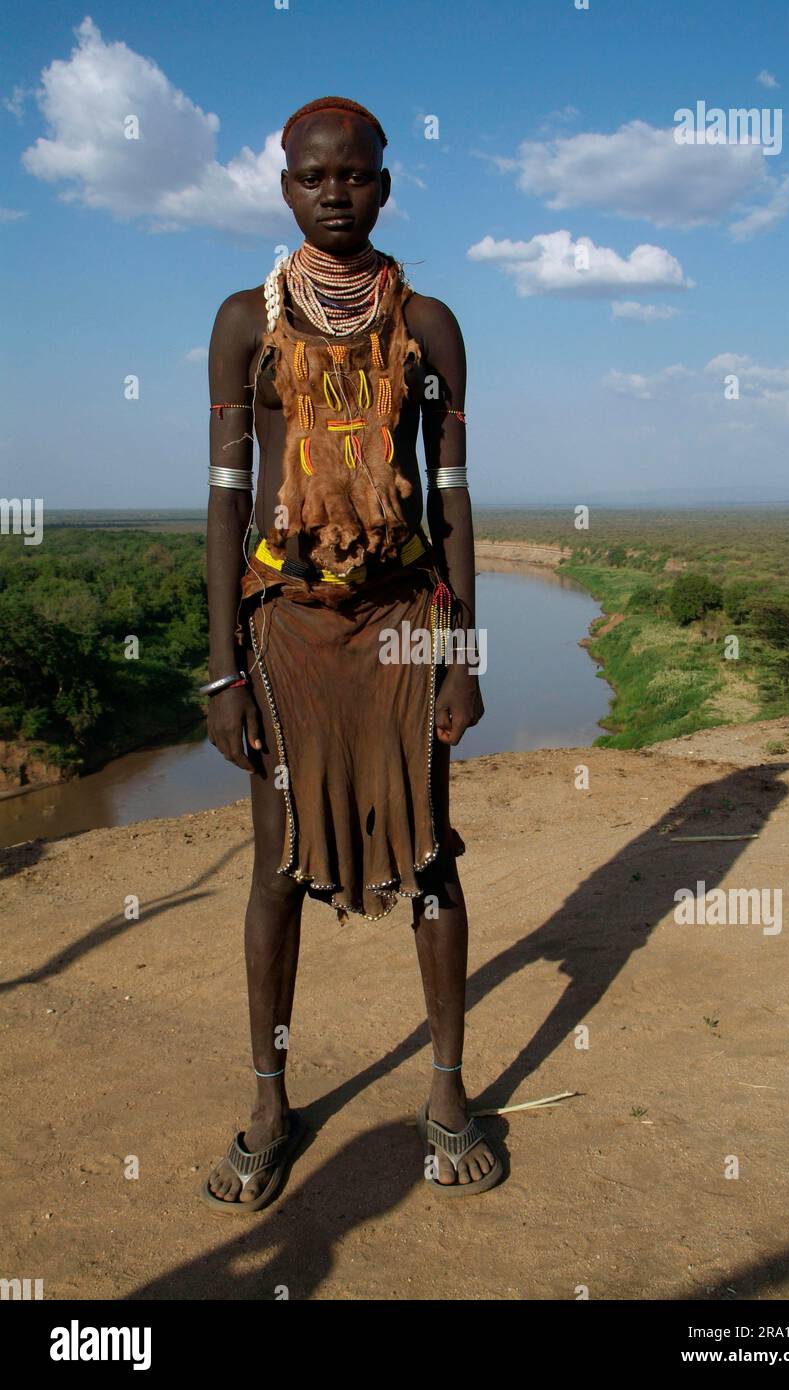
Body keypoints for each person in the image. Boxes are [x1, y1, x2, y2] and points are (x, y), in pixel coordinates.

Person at [200, 96, 502, 1211]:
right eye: (313, 177)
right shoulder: (245, 321)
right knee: (276, 863)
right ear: (284, 186)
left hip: (404, 618)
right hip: (285, 622)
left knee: (428, 851)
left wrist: (461, 654)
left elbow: (456, 501)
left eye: (356, 175)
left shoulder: (425, 326)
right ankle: (273, 1100)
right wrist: (222, 667)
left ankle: (446, 1091)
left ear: (384, 184)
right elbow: (227, 503)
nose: (335, 192)